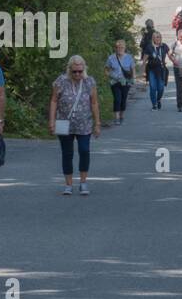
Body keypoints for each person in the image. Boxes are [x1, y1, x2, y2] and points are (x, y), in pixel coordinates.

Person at [49, 55, 101, 193]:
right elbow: (54, 101)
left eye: (80, 71)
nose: (77, 74)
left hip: (84, 124)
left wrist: (97, 123)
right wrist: (52, 120)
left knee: (84, 151)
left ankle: (83, 183)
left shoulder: (89, 82)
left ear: (84, 69)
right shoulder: (61, 81)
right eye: (74, 71)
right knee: (67, 153)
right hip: (64, 123)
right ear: (69, 70)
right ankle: (68, 185)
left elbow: (94, 102)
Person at [106, 39, 135, 124]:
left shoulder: (129, 57)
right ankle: (117, 118)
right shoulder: (111, 58)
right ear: (115, 48)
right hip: (115, 82)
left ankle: (122, 115)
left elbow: (132, 69)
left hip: (126, 82)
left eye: (121, 47)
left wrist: (133, 78)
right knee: (117, 99)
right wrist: (110, 75)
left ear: (124, 48)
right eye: (118, 47)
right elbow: (106, 70)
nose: (120, 49)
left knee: (123, 99)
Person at [145, 30, 170, 109]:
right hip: (152, 70)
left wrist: (175, 61)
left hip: (161, 70)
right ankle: (154, 104)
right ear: (153, 38)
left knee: (161, 88)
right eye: (156, 37)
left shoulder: (164, 46)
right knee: (153, 87)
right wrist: (142, 72)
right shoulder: (149, 47)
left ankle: (158, 99)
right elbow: (144, 60)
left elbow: (170, 55)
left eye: (159, 37)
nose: (158, 38)